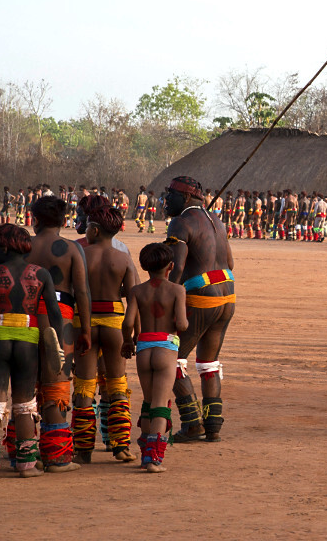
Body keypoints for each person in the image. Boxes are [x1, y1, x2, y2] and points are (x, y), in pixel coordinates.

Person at [0, 224, 64, 478]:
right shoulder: (41, 274)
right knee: (24, 403)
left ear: (5, 247)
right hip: (28, 342)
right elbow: (54, 313)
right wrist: (57, 346)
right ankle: (26, 464)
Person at [164, 176, 235, 443]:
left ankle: (193, 424)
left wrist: (167, 299)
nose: (165, 200)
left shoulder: (180, 222)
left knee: (172, 358)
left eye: (169, 195)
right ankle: (213, 426)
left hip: (201, 297)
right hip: (227, 295)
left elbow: (178, 268)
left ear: (184, 197)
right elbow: (229, 262)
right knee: (208, 363)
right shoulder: (217, 221)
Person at [27, 195, 92, 472]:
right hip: (61, 317)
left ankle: (25, 452)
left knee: (25, 386)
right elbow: (83, 293)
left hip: (26, 317)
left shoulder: (22, 247)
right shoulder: (72, 250)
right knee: (56, 385)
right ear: (64, 221)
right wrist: (86, 330)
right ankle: (56, 457)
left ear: (35, 220)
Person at [74, 207, 138, 463]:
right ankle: (121, 446)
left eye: (88, 226)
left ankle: (83, 450)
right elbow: (134, 299)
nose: (85, 230)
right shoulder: (123, 259)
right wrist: (132, 335)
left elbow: (75, 291)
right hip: (115, 322)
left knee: (84, 386)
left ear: (96, 230)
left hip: (84, 322)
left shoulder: (80, 255)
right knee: (117, 384)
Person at [122, 243, 189, 472]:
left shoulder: (137, 291)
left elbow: (128, 323)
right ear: (170, 266)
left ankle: (145, 452)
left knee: (149, 402)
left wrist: (128, 341)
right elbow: (181, 324)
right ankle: (153, 459)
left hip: (143, 348)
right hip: (166, 347)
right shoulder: (177, 290)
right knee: (161, 404)